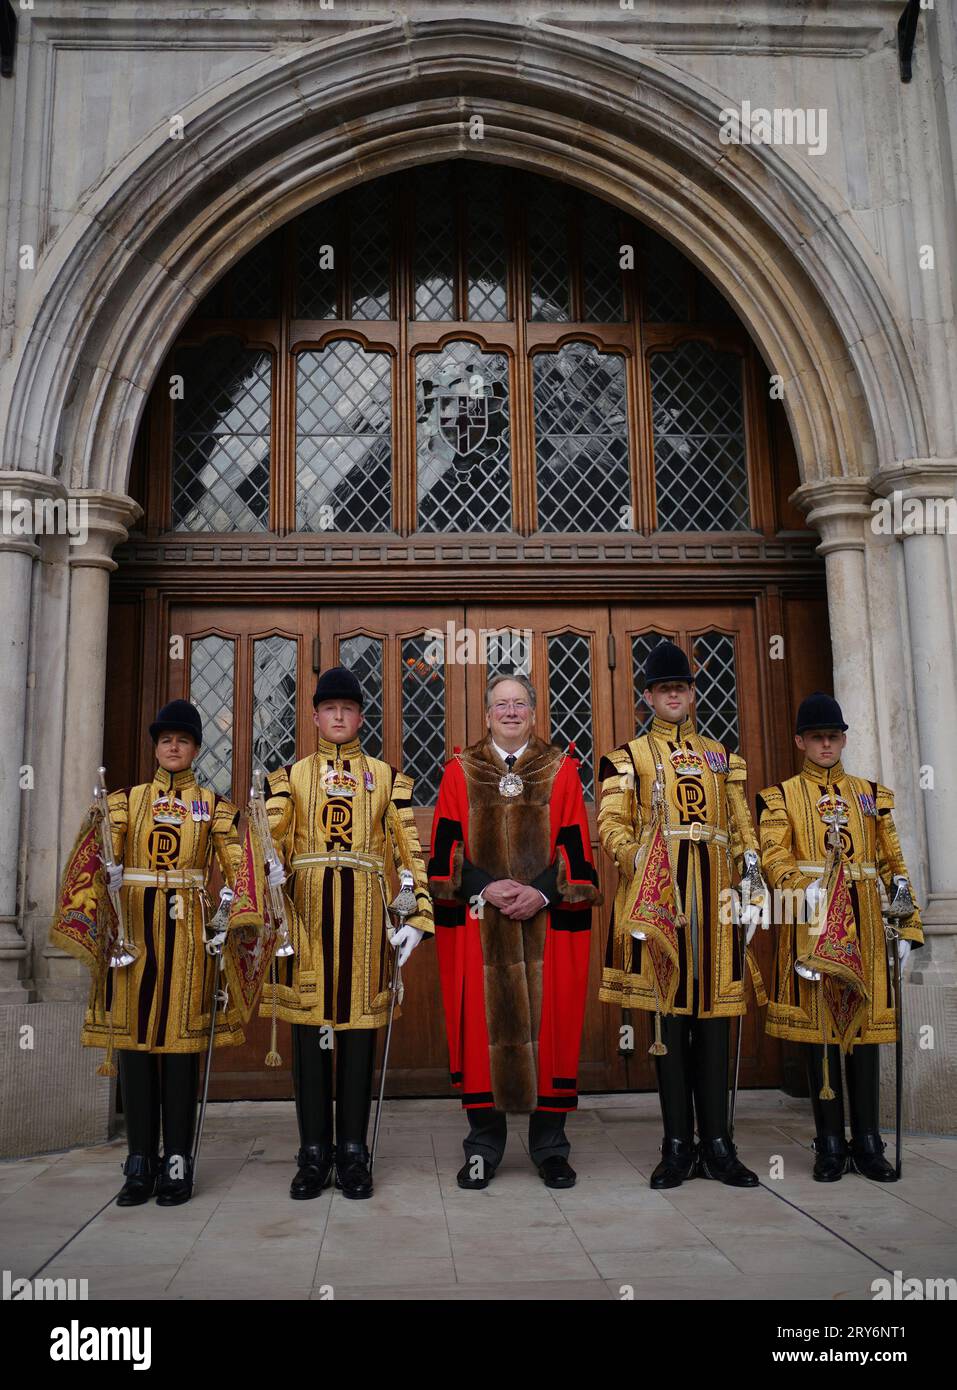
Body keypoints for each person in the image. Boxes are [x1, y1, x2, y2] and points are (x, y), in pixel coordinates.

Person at [50, 699, 245, 1206]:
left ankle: (177, 1157)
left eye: (182, 739)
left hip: (189, 931)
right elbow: (96, 855)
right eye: (165, 740)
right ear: (155, 748)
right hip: (132, 931)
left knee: (179, 1045)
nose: (173, 746)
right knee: (136, 1045)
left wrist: (232, 905)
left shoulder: (212, 806)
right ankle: (140, 1159)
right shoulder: (124, 802)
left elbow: (237, 865)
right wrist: (105, 873)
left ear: (197, 748)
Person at [259, 666, 433, 1200]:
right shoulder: (288, 777)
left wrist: (419, 917)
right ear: (314, 717)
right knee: (310, 1036)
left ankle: (354, 1151)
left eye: (348, 708)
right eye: (329, 708)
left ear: (361, 716)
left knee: (358, 1034)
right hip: (308, 918)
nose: (338, 715)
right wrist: (269, 891)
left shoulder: (388, 778)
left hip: (364, 918)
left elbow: (410, 849)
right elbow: (270, 842)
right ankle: (313, 1152)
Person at [598, 640, 766, 1189]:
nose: (673, 696)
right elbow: (611, 827)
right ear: (648, 696)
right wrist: (639, 856)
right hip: (661, 903)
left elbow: (745, 832)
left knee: (716, 1020)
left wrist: (754, 883)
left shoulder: (724, 758)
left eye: (681, 688)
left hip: (716, 905)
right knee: (668, 1021)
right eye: (663, 689)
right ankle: (676, 1145)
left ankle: (718, 1144)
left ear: (693, 694)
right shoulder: (628, 758)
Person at [428, 673, 601, 1191]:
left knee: (551, 1031)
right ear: (485, 716)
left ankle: (551, 1149)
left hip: (544, 926)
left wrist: (542, 893)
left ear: (532, 712)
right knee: (482, 1034)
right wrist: (486, 886)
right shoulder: (461, 771)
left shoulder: (561, 770)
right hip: (482, 925)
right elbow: (444, 852)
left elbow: (577, 852)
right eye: (500, 705)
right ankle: (483, 1146)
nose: (509, 712)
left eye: (519, 704)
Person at [757, 692, 923, 1181]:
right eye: (816, 737)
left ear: (844, 739)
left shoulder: (872, 795)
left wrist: (907, 921)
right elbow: (772, 856)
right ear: (800, 741)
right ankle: (829, 1142)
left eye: (832, 736)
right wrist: (805, 890)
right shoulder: (780, 796)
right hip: (812, 927)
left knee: (866, 1034)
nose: (825, 744)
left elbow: (893, 862)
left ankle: (868, 1142)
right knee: (821, 1031)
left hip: (868, 926)